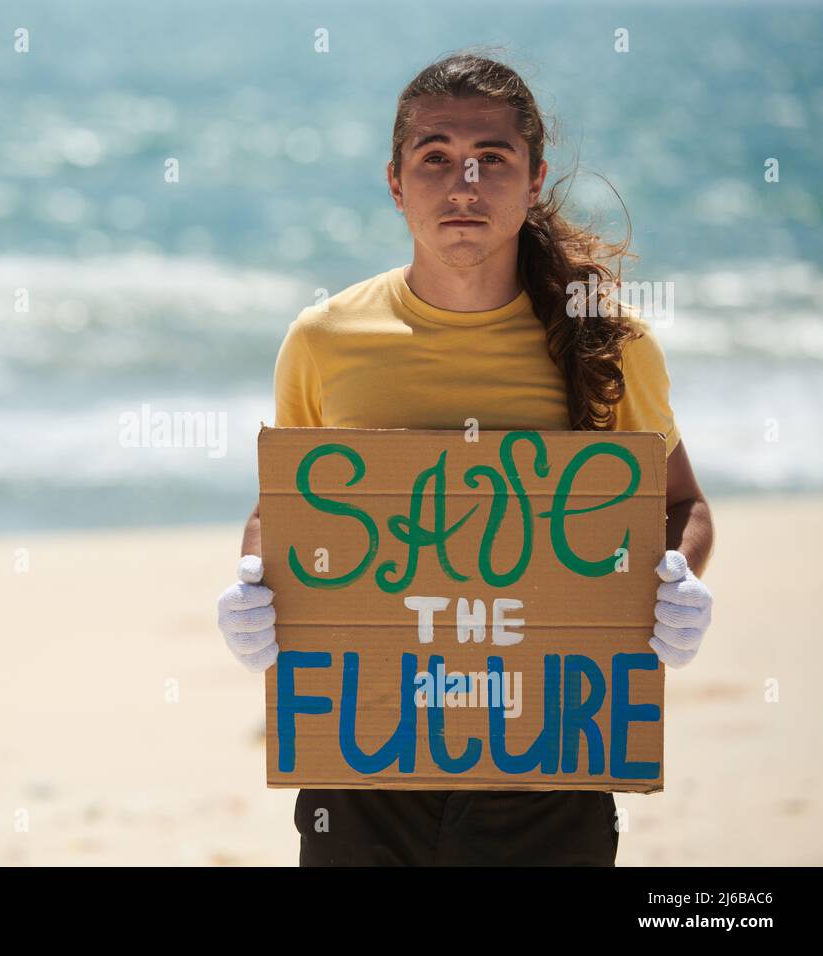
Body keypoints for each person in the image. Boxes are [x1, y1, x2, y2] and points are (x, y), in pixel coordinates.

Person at [216, 52, 715, 866]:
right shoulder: (323, 339)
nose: (464, 183)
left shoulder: (608, 342)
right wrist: (249, 583)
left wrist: (681, 580)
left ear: (534, 177)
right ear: (395, 180)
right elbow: (287, 504)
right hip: (363, 765)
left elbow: (680, 504)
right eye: (436, 157)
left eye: (493, 159)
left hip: (551, 766)